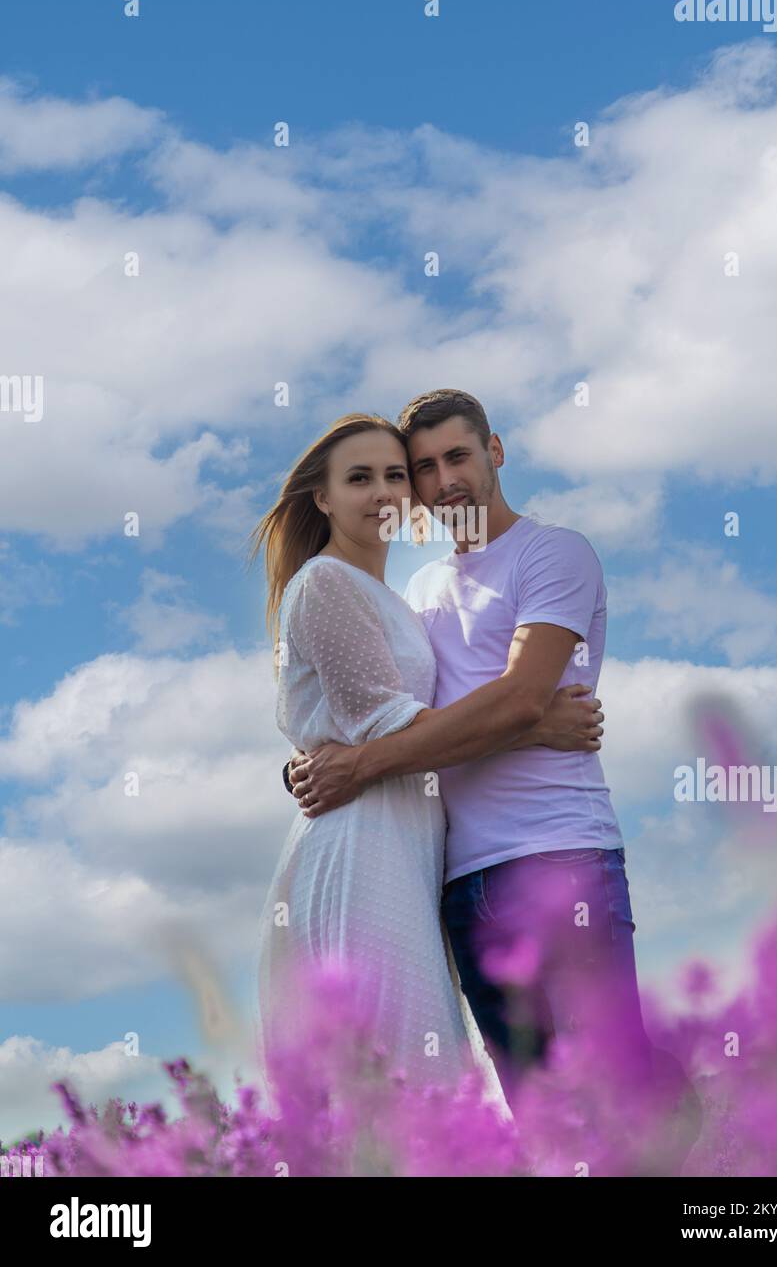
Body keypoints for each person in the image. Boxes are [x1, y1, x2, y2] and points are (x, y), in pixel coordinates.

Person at [286, 389, 702, 1173]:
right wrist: (310, 764)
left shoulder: (553, 552)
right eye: (425, 468)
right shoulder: (414, 595)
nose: (446, 481)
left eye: (459, 457)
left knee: (616, 1103)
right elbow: (389, 720)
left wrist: (518, 719)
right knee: (546, 1128)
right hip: (454, 881)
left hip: (559, 856)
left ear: (495, 452)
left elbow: (515, 695)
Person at [248, 412, 602, 1099]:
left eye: (393, 476)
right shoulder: (325, 583)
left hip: (414, 850)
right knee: (405, 1074)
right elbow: (380, 721)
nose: (383, 492)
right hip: (365, 847)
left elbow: (360, 733)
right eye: (359, 478)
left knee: (421, 1068)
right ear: (321, 497)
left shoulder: (399, 598)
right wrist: (532, 723)